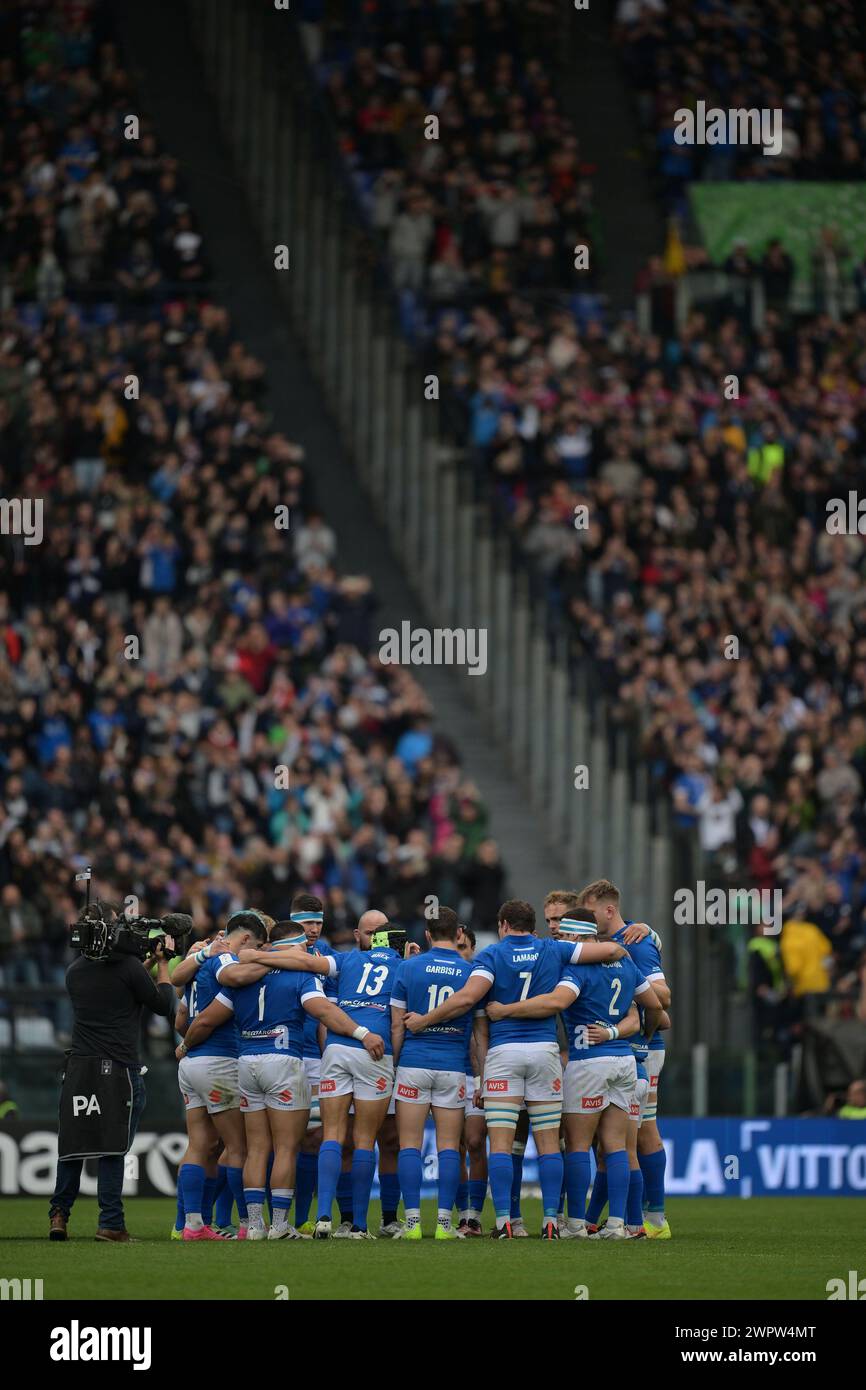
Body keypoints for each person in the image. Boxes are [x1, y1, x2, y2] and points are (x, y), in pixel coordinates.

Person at [403, 898, 626, 1239]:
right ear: (531, 924)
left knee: (503, 1146)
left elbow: (465, 999)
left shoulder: (491, 956)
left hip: (505, 1053)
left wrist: (424, 1020)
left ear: (503, 925)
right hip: (544, 1051)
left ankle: (506, 1221)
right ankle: (552, 1220)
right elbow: (613, 952)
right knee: (550, 1142)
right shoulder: (553, 949)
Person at [180, 919, 372, 1240]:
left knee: (256, 1148)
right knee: (286, 1147)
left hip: (246, 1062)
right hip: (282, 1061)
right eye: (303, 946)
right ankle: (280, 1226)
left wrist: (184, 1045)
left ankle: (255, 1225)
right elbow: (323, 1010)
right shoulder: (301, 975)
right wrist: (360, 1032)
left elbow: (207, 1019)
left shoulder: (242, 979)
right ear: (295, 945)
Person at [486, 912, 664, 1240]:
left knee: (579, 1145)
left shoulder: (577, 968)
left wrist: (505, 1010)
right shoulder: (626, 964)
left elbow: (556, 1002)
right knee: (617, 1147)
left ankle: (577, 1225)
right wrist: (633, 1036)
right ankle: (617, 1226)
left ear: (579, 938)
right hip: (625, 1061)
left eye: (566, 936)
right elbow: (655, 1007)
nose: (562, 942)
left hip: (588, 1063)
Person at [49, 928, 176, 1242]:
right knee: (112, 1148)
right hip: (118, 1069)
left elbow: (119, 984)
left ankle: (59, 1215)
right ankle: (110, 1223)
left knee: (73, 1147)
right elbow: (163, 1005)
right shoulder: (129, 968)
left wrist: (141, 963)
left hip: (79, 1066)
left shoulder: (74, 971)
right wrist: (162, 963)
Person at [313, 909, 418, 1239]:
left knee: (332, 1134)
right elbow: (401, 1020)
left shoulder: (343, 962)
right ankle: (358, 1224)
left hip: (337, 1048)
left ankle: (323, 1218)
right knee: (364, 1141)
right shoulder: (404, 967)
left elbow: (322, 1009)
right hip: (376, 1051)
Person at [390, 906, 474, 1240]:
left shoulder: (408, 968)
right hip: (452, 1066)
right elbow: (477, 1031)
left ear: (426, 934)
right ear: (458, 935)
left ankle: (411, 1224)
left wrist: (397, 1063)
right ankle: (443, 1225)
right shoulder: (471, 972)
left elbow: (397, 1026)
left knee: (409, 1144)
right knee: (450, 1147)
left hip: (413, 1061)